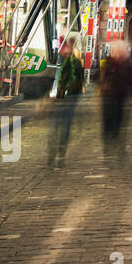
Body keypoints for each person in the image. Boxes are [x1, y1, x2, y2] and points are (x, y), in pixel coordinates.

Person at [49, 36, 85, 169]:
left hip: (69, 98)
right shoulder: (64, 60)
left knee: (63, 125)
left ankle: (60, 153)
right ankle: (55, 153)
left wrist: (66, 91)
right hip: (62, 97)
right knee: (57, 126)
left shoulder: (73, 61)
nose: (63, 50)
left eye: (66, 47)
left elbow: (77, 79)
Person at [98, 40, 132, 160]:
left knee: (119, 123)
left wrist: (131, 93)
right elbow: (100, 78)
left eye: (121, 51)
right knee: (108, 123)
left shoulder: (128, 64)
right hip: (108, 97)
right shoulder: (108, 63)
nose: (119, 54)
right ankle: (108, 147)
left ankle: (118, 147)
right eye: (117, 51)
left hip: (121, 98)